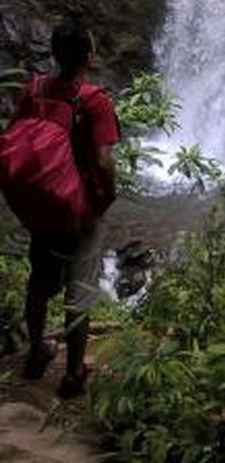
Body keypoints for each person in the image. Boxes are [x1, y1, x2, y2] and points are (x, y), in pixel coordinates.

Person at [10, 20, 120, 397]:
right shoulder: (94, 100)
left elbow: (14, 137)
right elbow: (104, 160)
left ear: (55, 54)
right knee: (80, 288)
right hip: (81, 209)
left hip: (44, 203)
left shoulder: (34, 88)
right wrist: (107, 194)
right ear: (88, 56)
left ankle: (36, 350)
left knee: (39, 279)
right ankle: (74, 373)